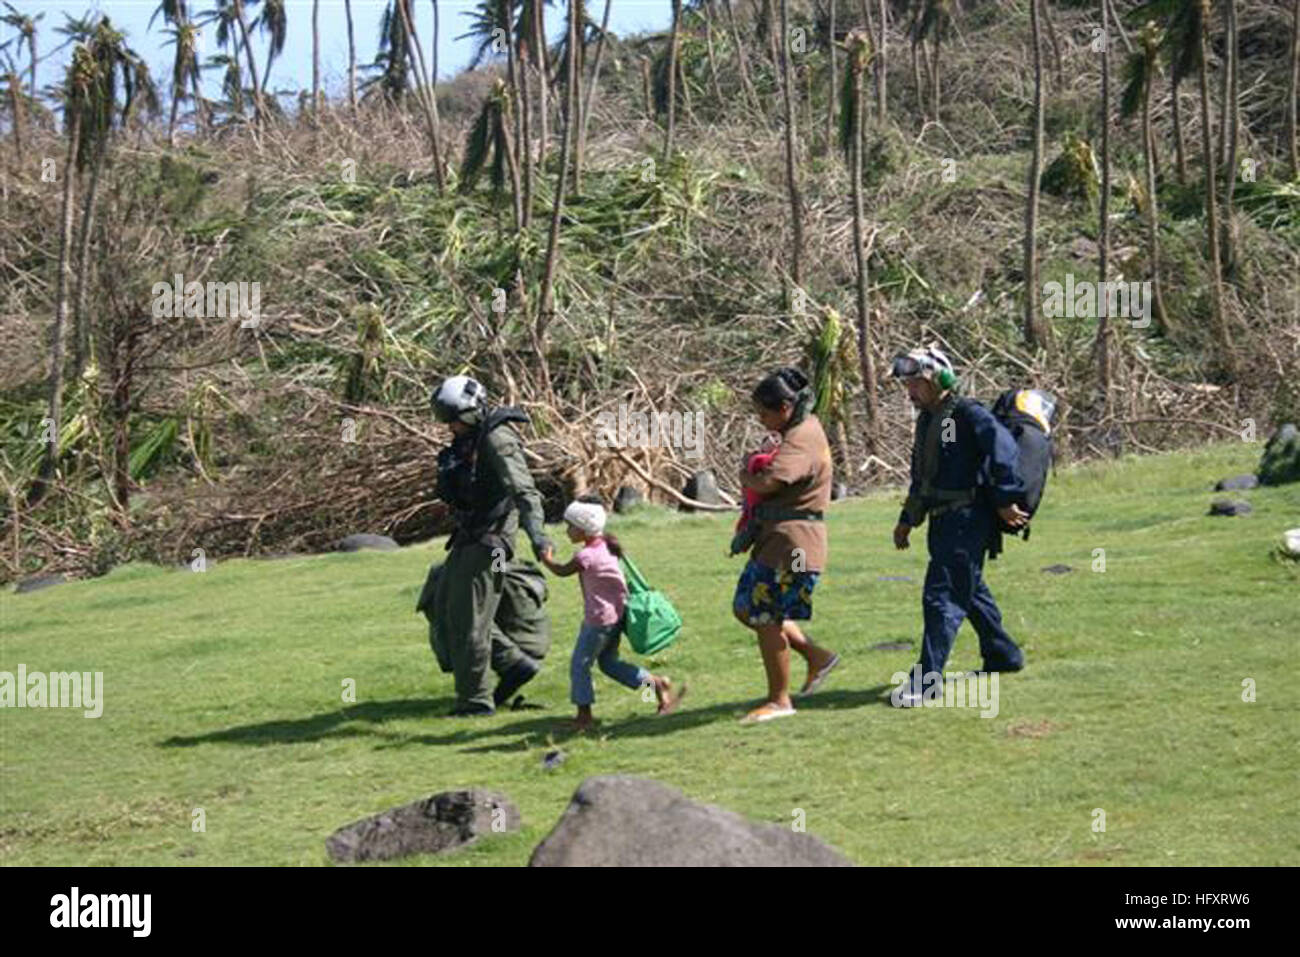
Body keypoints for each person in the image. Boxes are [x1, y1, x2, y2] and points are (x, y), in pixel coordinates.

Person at [889, 344, 1029, 706]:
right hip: (942, 521)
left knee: (943, 596)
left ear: (940, 378)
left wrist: (1005, 499)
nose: (910, 391)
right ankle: (1002, 654)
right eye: (907, 385)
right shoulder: (929, 420)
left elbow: (1003, 451)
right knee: (970, 589)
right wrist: (908, 519)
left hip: (968, 519)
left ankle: (926, 681)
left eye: (916, 383)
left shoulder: (968, 414)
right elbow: (923, 477)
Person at [429, 374, 554, 716]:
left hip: (494, 546)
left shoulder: (497, 440)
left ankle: (475, 703)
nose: (449, 426)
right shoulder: (470, 439)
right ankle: (513, 663)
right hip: (471, 537)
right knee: (438, 602)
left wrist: (539, 536)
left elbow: (524, 491)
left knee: (470, 621)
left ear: (471, 411)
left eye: (453, 418)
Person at [731, 368, 840, 723]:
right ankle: (817, 656)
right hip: (778, 541)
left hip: (793, 545)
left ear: (786, 407)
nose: (762, 421)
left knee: (766, 616)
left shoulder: (802, 437)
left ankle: (780, 701)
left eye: (765, 413)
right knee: (746, 608)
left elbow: (773, 480)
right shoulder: (798, 431)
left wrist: (746, 476)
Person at [540, 499, 678, 732]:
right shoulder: (608, 545)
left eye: (570, 526)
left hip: (599, 620)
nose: (567, 531)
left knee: (579, 665)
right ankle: (655, 685)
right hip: (617, 616)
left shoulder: (586, 556)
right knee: (609, 663)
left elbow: (562, 571)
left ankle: (584, 717)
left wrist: (547, 558)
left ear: (583, 529)